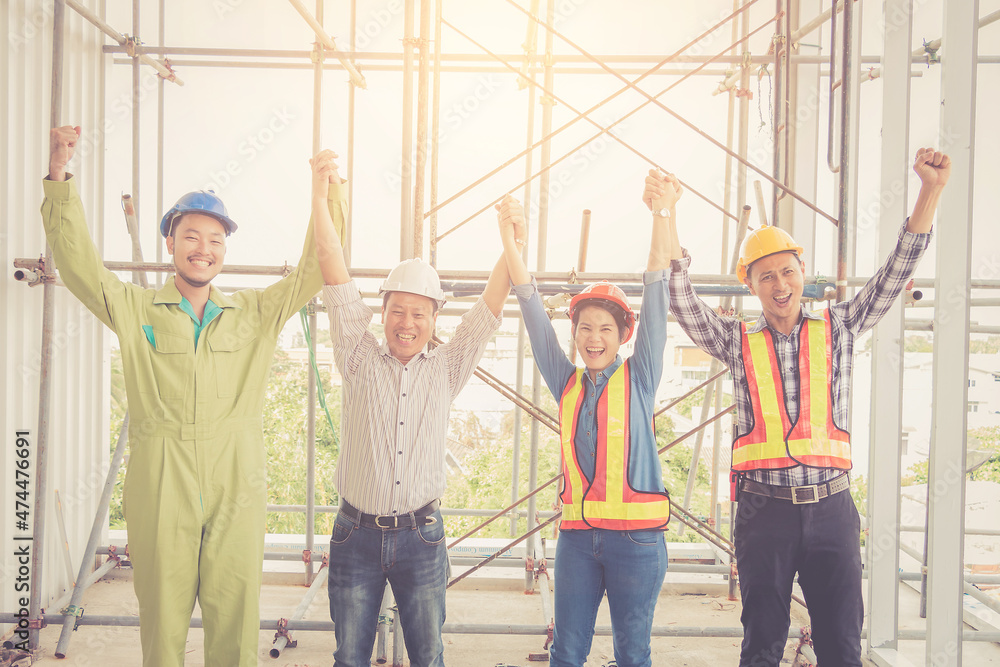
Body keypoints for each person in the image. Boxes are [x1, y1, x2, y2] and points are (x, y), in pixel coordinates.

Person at [43, 126, 342, 666]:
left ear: (225, 249)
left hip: (237, 475)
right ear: (171, 243)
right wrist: (59, 180)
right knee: (163, 617)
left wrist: (326, 198)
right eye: (191, 237)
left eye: (215, 240)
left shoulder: (253, 313)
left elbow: (315, 271)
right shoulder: (136, 309)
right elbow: (80, 269)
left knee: (235, 615)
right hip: (161, 473)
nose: (203, 250)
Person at [648, 148, 951, 666]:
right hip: (764, 514)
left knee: (842, 645)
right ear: (750, 284)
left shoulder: (841, 325)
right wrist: (667, 212)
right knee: (762, 643)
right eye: (766, 276)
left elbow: (895, 272)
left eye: (787, 272)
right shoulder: (735, 338)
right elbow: (681, 298)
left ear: (801, 271)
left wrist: (930, 191)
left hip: (833, 510)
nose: (780, 285)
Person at [309, 149, 511, 667]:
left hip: (422, 535)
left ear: (433, 317)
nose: (407, 323)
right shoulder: (357, 354)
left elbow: (490, 306)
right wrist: (319, 193)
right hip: (355, 533)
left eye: (418, 313)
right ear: (382, 312)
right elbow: (331, 264)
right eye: (397, 310)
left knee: (428, 655)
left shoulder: (447, 367)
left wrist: (510, 241)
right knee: (349, 656)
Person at [498, 175, 680, 667]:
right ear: (575, 333)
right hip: (577, 541)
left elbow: (657, 285)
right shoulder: (567, 382)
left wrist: (662, 214)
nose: (594, 338)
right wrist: (510, 242)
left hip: (638, 544)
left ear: (623, 334)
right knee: (567, 652)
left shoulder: (640, 376)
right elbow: (532, 308)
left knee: (632, 655)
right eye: (585, 328)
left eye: (606, 328)